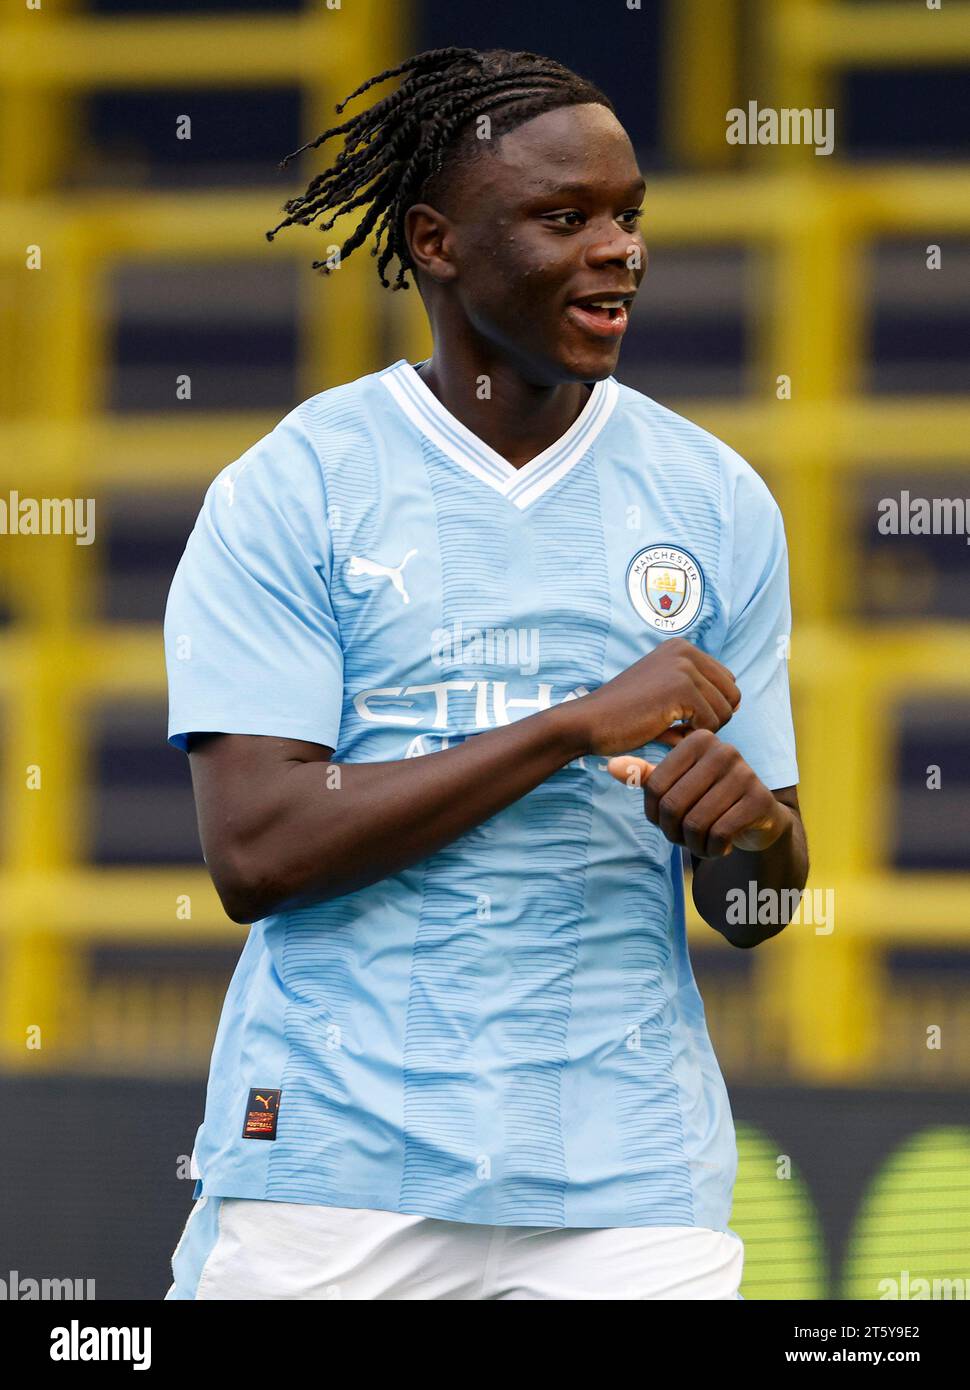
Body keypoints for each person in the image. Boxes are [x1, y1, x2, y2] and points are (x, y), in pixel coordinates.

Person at [163, 46, 808, 1300]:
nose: (618, 247)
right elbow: (257, 853)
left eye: (629, 215)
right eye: (565, 218)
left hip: (629, 1187)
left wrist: (750, 838)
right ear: (437, 242)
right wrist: (569, 728)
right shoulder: (295, 490)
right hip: (336, 1167)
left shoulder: (715, 500)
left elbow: (759, 914)